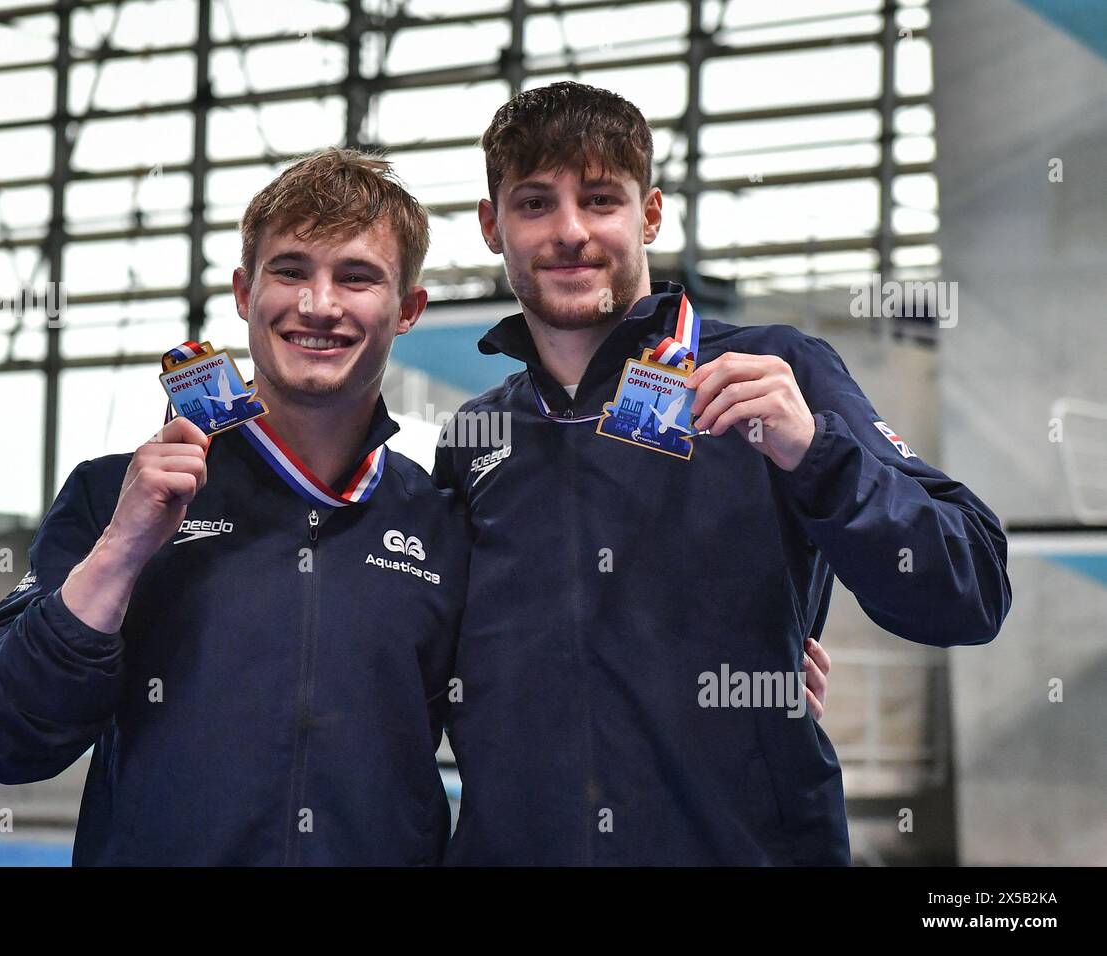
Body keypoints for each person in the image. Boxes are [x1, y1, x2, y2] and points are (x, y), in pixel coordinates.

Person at [432, 81, 1011, 865]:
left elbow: (968, 589)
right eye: (535, 203)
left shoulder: (774, 371)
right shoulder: (476, 436)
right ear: (492, 226)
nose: (570, 231)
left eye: (600, 199)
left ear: (650, 215)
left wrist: (816, 454)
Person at [0, 148, 467, 865]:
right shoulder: (115, 495)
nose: (317, 305)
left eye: (356, 278)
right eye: (290, 270)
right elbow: (8, 739)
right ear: (243, 291)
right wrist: (120, 552)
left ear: (408, 309)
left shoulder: (440, 526)